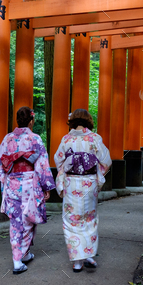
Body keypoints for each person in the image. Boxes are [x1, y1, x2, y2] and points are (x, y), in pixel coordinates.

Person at [0, 106, 55, 275]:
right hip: (29, 183)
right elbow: (42, 163)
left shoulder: (7, 138)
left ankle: (22, 256)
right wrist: (46, 186)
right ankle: (18, 259)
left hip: (12, 182)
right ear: (31, 121)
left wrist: (5, 180)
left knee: (16, 220)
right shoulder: (35, 138)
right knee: (28, 219)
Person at [54, 109, 112, 273]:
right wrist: (97, 173)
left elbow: (58, 159)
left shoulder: (66, 139)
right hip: (89, 182)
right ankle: (89, 256)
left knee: (71, 220)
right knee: (89, 218)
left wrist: (65, 170)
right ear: (88, 121)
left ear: (72, 122)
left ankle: (77, 262)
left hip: (72, 182)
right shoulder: (94, 138)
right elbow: (106, 160)